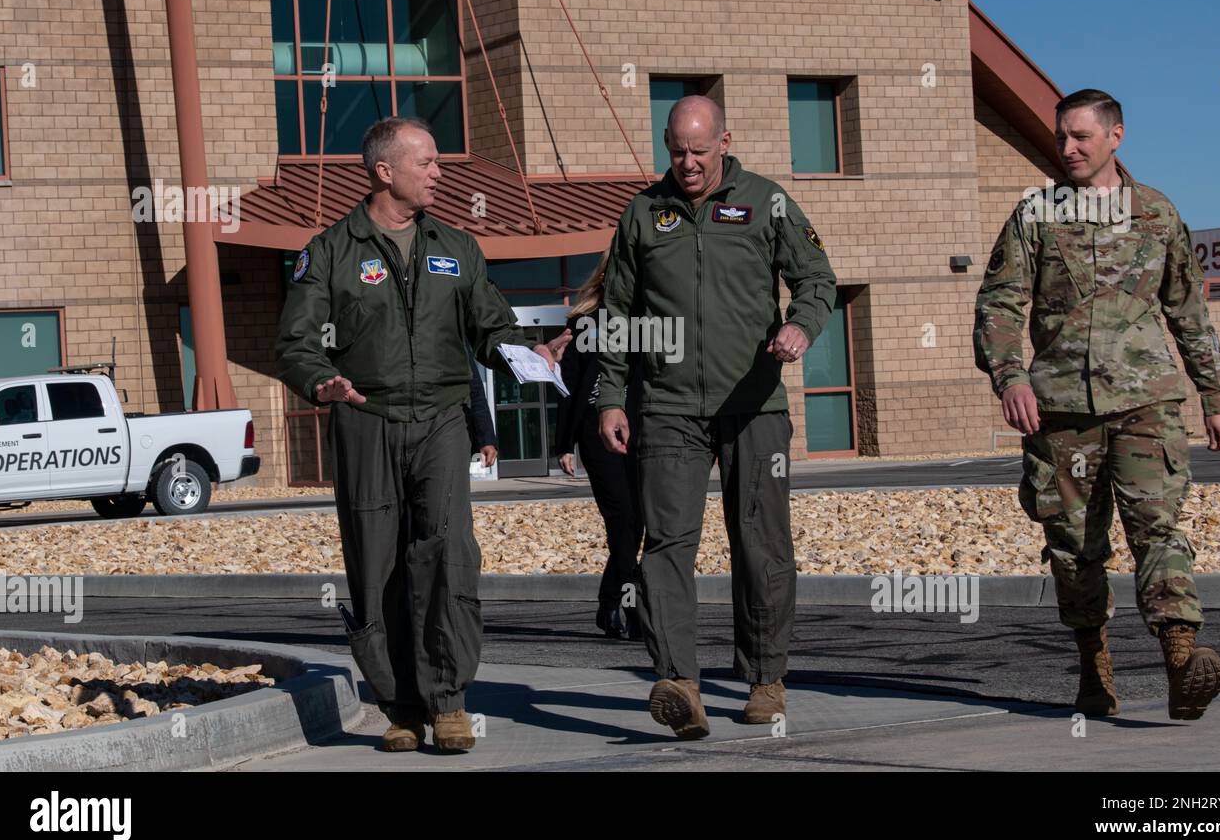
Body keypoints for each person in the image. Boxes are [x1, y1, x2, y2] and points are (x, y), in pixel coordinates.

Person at [275, 116, 568, 752]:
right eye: (428, 162)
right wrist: (320, 381)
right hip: (365, 421)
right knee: (376, 562)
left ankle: (448, 699)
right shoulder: (329, 251)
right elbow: (295, 344)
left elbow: (490, 327)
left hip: (441, 419)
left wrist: (527, 351)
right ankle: (400, 704)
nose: (440, 172)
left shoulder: (457, 247)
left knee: (446, 552)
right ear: (385, 172)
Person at [974, 88, 1220, 721]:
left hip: (1147, 404)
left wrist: (1216, 395)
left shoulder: (1157, 213)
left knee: (1158, 530)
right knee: (1073, 548)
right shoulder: (1035, 213)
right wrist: (1010, 377)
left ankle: (1181, 658)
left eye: (1081, 137)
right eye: (1062, 136)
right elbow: (1000, 302)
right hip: (1060, 411)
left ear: (1116, 136)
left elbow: (1188, 310)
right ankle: (1094, 666)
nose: (1068, 148)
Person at [596, 96, 837, 738]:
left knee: (760, 543)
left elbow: (817, 278)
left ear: (724, 140)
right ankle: (678, 680)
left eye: (700, 150)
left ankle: (765, 679)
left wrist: (800, 327)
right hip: (669, 406)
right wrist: (612, 397)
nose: (688, 163)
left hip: (754, 404)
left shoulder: (767, 200)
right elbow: (616, 312)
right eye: (676, 150)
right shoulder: (643, 213)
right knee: (668, 544)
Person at [555, 249, 645, 639]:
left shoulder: (650, 319)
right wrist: (563, 443)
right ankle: (633, 608)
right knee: (621, 520)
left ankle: (610, 602)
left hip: (644, 432)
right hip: (597, 434)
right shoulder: (583, 322)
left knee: (637, 522)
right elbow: (567, 388)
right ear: (607, 275)